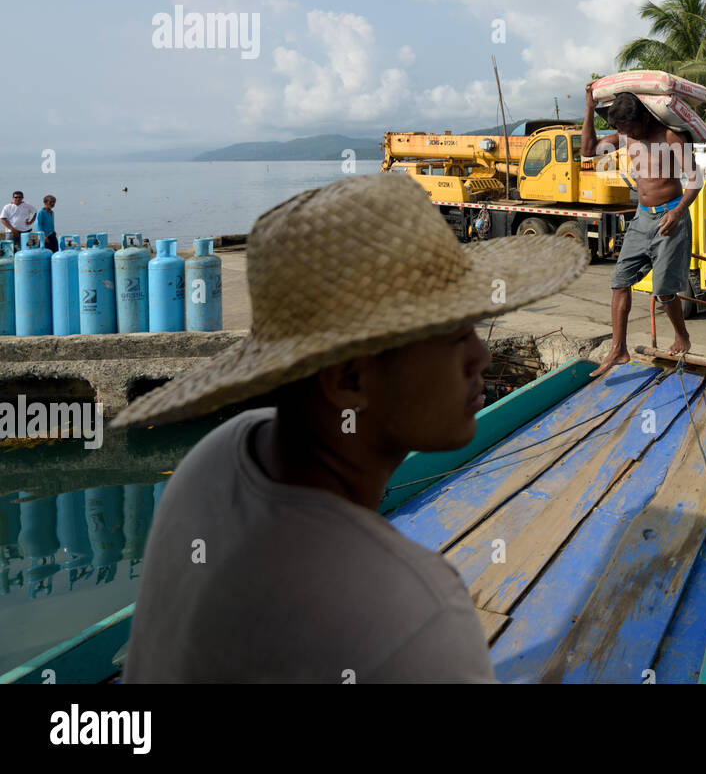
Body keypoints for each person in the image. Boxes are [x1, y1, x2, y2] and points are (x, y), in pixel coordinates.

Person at [113, 173, 589, 681]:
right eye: (453, 334)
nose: (482, 354)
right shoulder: (415, 614)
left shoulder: (218, 456)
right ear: (350, 378)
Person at [584, 84, 702, 377]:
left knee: (664, 290)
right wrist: (588, 106)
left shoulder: (671, 136)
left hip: (670, 217)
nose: (629, 133)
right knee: (620, 281)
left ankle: (682, 336)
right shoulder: (625, 137)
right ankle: (618, 349)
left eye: (631, 127)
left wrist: (677, 212)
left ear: (646, 118)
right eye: (623, 129)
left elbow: (696, 180)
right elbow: (588, 151)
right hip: (641, 218)